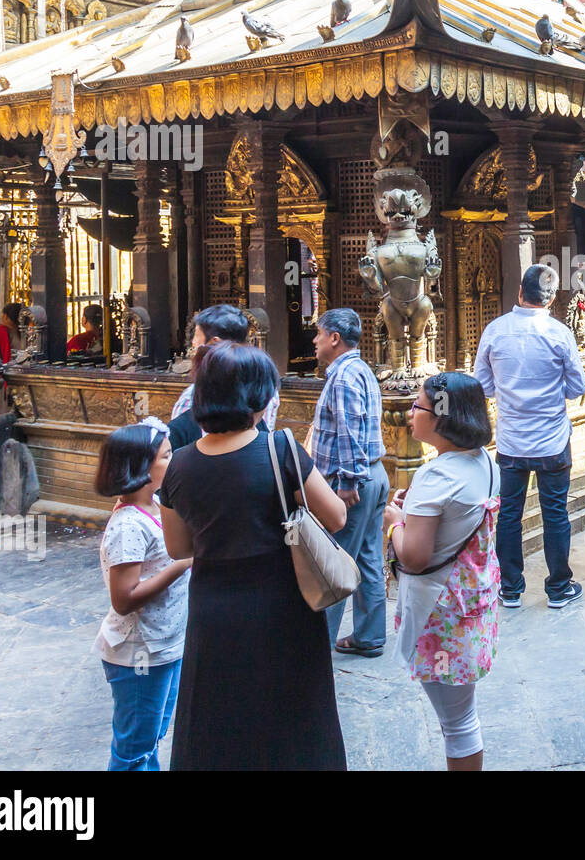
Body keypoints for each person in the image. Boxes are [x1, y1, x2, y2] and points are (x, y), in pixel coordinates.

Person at [160, 340, 348, 770]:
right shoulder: (279, 449)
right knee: (294, 713)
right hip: (284, 604)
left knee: (218, 713)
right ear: (259, 397)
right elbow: (335, 516)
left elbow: (177, 547)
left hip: (214, 608)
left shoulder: (180, 464)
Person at [383, 372, 499, 771]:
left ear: (442, 416)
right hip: (467, 601)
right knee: (462, 716)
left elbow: (414, 556)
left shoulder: (437, 476)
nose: (411, 413)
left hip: (441, 608)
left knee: (458, 723)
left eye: (418, 406)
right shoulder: (482, 460)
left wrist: (396, 522)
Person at [475, 264, 585, 609]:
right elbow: (577, 387)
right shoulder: (558, 333)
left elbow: (484, 385)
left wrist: (510, 393)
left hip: (511, 441)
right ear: (551, 299)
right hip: (552, 439)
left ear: (520, 292)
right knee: (555, 513)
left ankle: (509, 588)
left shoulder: (495, 331)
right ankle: (558, 587)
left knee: (509, 514)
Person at [93, 418, 191, 771]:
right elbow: (124, 598)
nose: (174, 460)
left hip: (163, 645)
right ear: (141, 468)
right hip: (139, 653)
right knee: (133, 748)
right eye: (166, 456)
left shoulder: (154, 507)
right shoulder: (128, 526)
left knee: (151, 737)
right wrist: (181, 566)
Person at [310, 308, 388, 657]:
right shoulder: (361, 370)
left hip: (352, 483)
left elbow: (349, 431)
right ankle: (369, 635)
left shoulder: (342, 377)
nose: (314, 340)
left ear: (334, 338)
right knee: (368, 555)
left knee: (334, 561)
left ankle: (316, 647)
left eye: (319, 334)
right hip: (375, 474)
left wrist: (347, 482)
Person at [169, 304, 279, 432]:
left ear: (214, 342)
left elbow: (179, 442)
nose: (193, 343)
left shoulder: (194, 396)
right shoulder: (266, 388)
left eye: (196, 336)